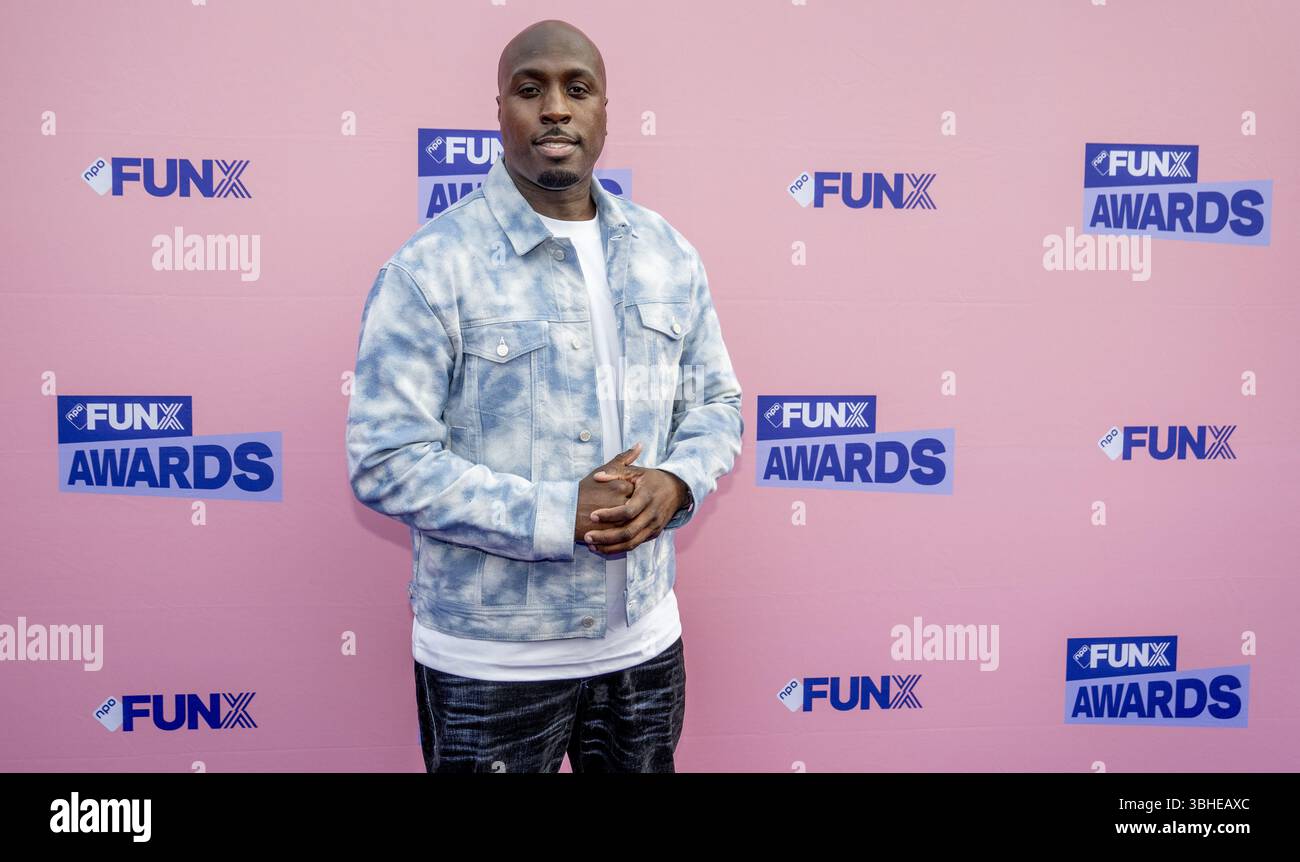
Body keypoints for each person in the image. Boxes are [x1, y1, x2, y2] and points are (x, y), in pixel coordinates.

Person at [345, 18, 742, 772]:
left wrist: (677, 480)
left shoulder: (666, 253)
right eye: (531, 90)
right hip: (493, 662)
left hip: (644, 647)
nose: (555, 107)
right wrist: (561, 511)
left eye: (577, 88)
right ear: (500, 113)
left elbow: (717, 403)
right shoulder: (431, 269)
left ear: (603, 113)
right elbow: (386, 461)